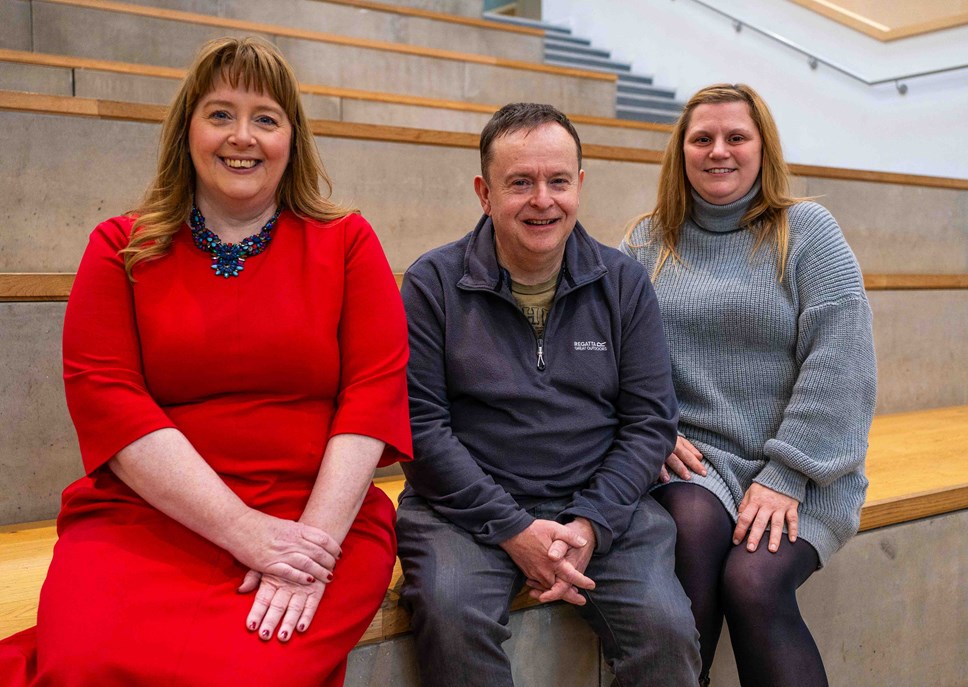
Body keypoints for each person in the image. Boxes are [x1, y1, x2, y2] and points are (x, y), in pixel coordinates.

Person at [0, 36, 410, 687]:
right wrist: (243, 530)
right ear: (187, 130)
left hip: (313, 513)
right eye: (221, 114)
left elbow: (373, 393)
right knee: (84, 664)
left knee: (245, 673)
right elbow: (109, 399)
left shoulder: (347, 242)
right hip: (150, 515)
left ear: (292, 139)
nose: (242, 136)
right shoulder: (119, 248)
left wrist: (306, 548)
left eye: (265, 118)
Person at [397, 102, 701, 687]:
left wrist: (590, 523)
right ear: (485, 193)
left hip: (597, 500)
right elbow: (420, 427)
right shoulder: (433, 283)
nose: (543, 200)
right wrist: (513, 528)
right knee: (452, 617)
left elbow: (649, 422)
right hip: (463, 509)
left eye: (558, 181)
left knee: (666, 632)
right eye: (520, 183)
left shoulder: (622, 282)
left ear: (579, 185)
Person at [621, 83, 877, 687]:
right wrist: (651, 430)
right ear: (681, 151)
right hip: (694, 459)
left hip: (805, 469)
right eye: (702, 138)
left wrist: (786, 474)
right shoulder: (646, 242)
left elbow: (842, 364)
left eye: (736, 137)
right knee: (691, 529)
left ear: (763, 148)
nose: (719, 151)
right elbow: (611, 356)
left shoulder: (807, 231)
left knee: (753, 581)